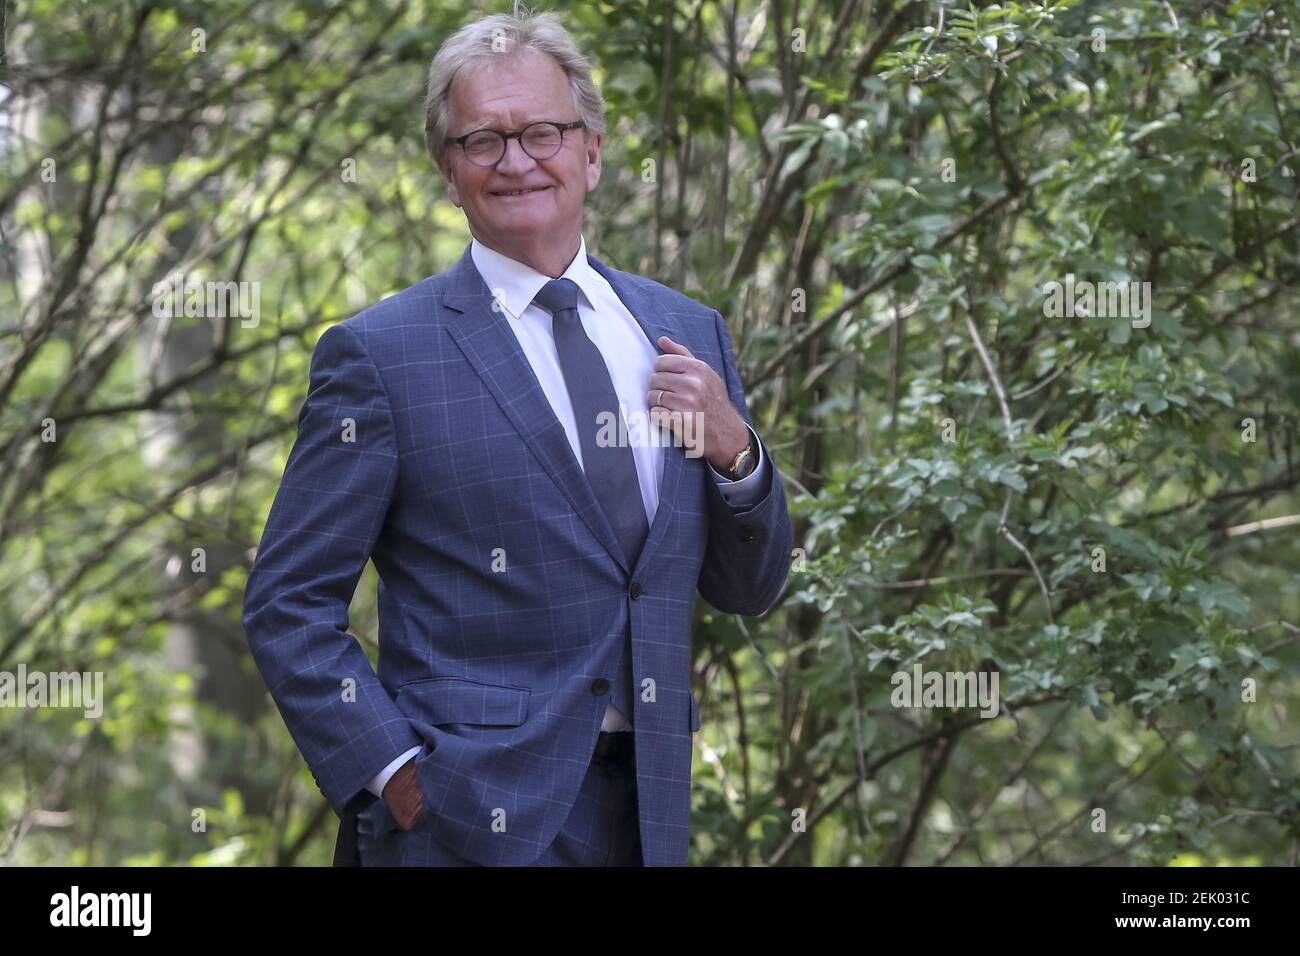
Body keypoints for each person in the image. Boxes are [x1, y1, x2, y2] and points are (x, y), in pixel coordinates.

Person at [242, 2, 793, 867]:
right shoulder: (381, 356)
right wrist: (397, 778)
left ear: (593, 151)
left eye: (542, 132)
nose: (516, 161)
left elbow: (747, 589)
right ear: (447, 170)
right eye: (482, 141)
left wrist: (737, 453)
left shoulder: (686, 331)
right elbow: (288, 607)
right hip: (458, 823)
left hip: (649, 814)